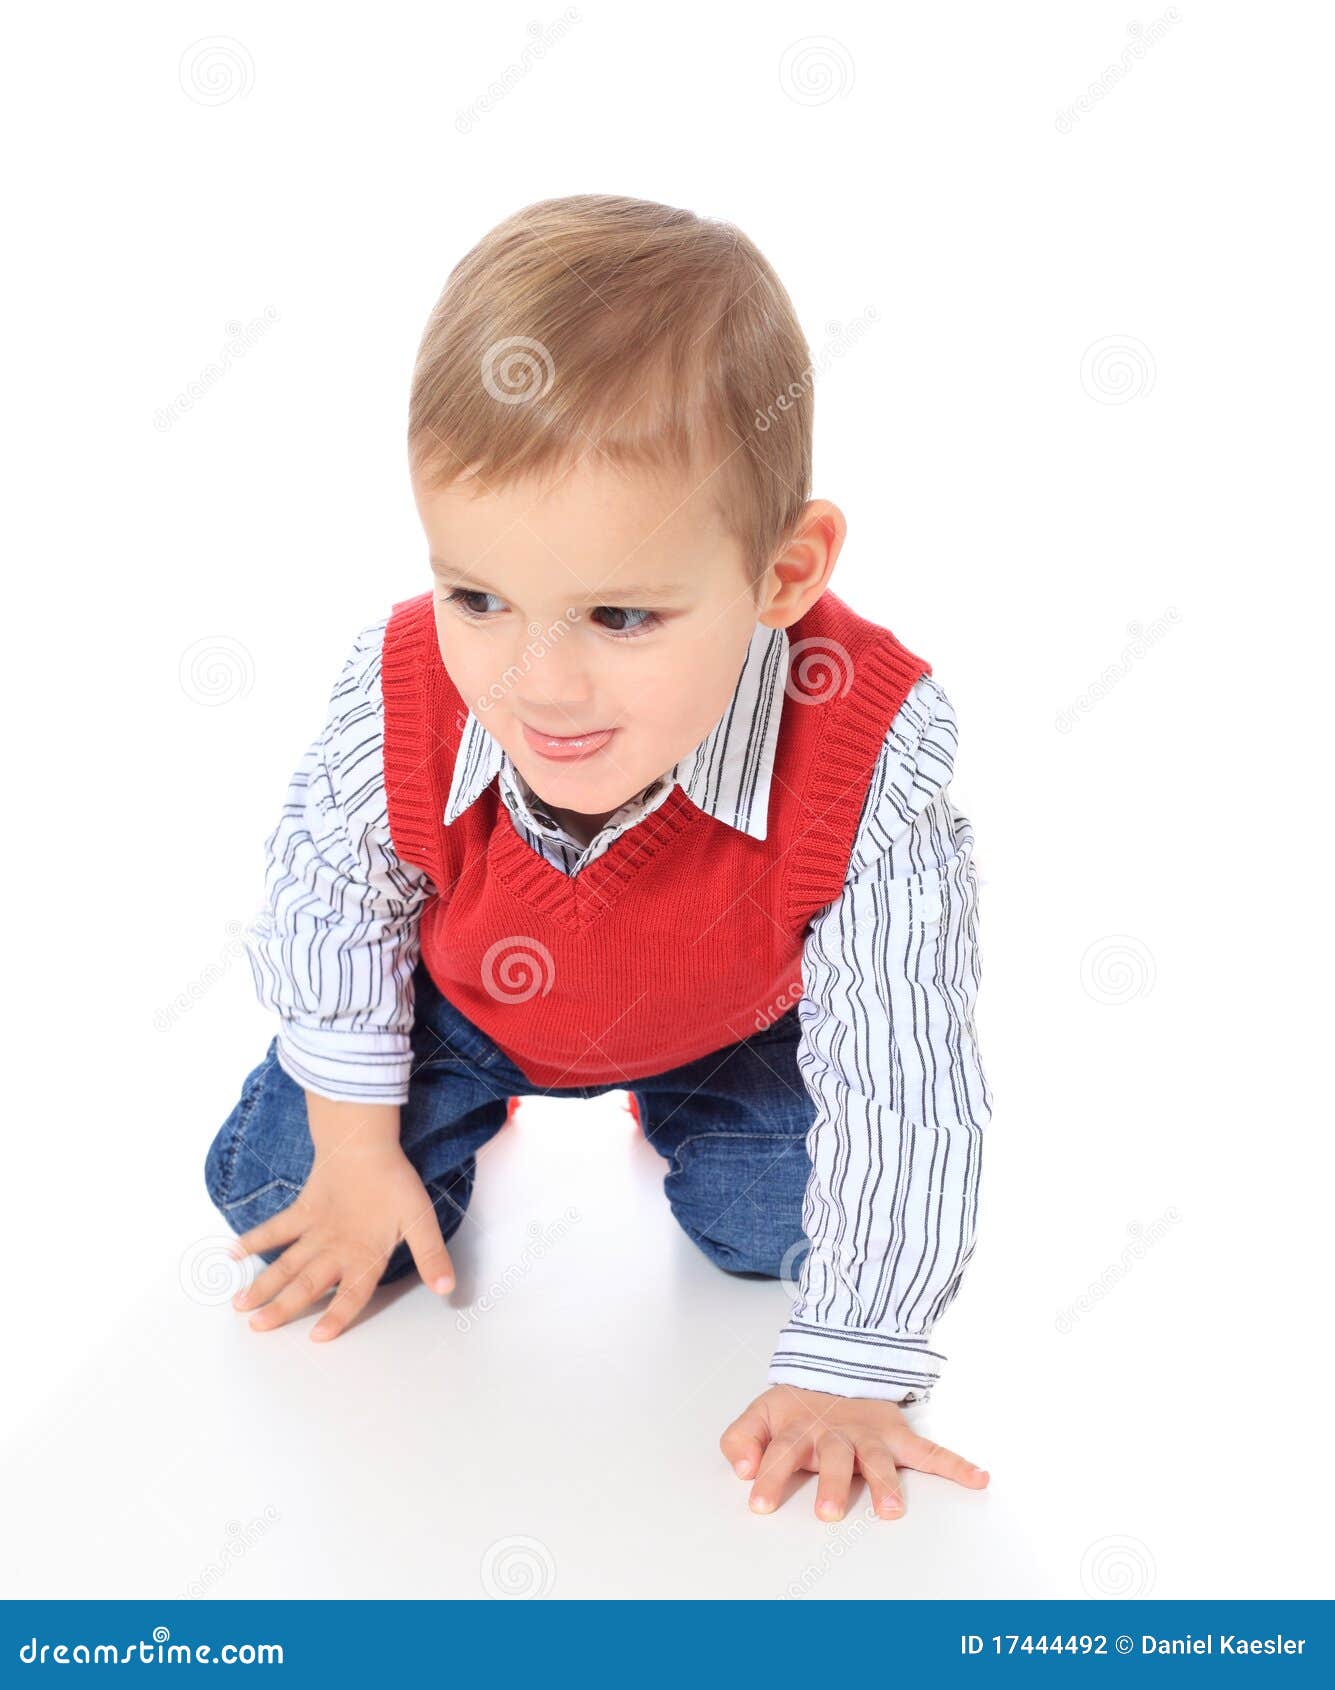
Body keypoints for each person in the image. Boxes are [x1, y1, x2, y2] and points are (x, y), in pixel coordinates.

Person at [203, 193, 994, 1523]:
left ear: (784, 572)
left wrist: (856, 1363)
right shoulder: (404, 682)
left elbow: (907, 1064)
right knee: (282, 1191)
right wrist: (358, 1142)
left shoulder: (866, 743)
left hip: (733, 1023)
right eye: (480, 597)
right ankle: (451, 1120)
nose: (538, 680)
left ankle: (671, 1105)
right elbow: (335, 895)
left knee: (784, 1232)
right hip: (460, 1009)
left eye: (622, 614)